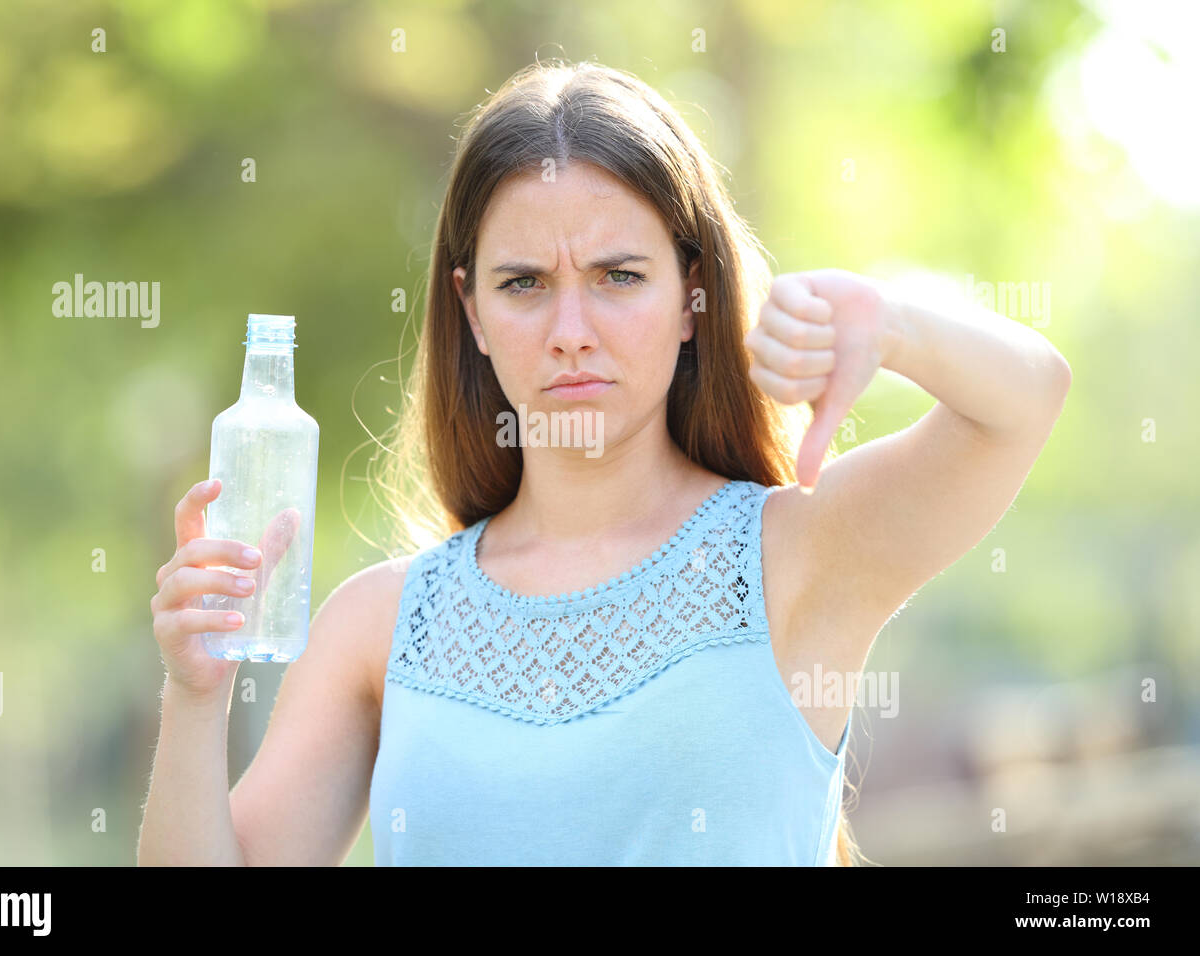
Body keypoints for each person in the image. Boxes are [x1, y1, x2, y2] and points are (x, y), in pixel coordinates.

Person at [139, 59, 1070, 866]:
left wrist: (893, 322)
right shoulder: (375, 627)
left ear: (691, 295)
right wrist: (195, 690)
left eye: (619, 277)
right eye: (524, 285)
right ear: (471, 312)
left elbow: (1025, 402)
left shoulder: (799, 555)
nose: (570, 334)